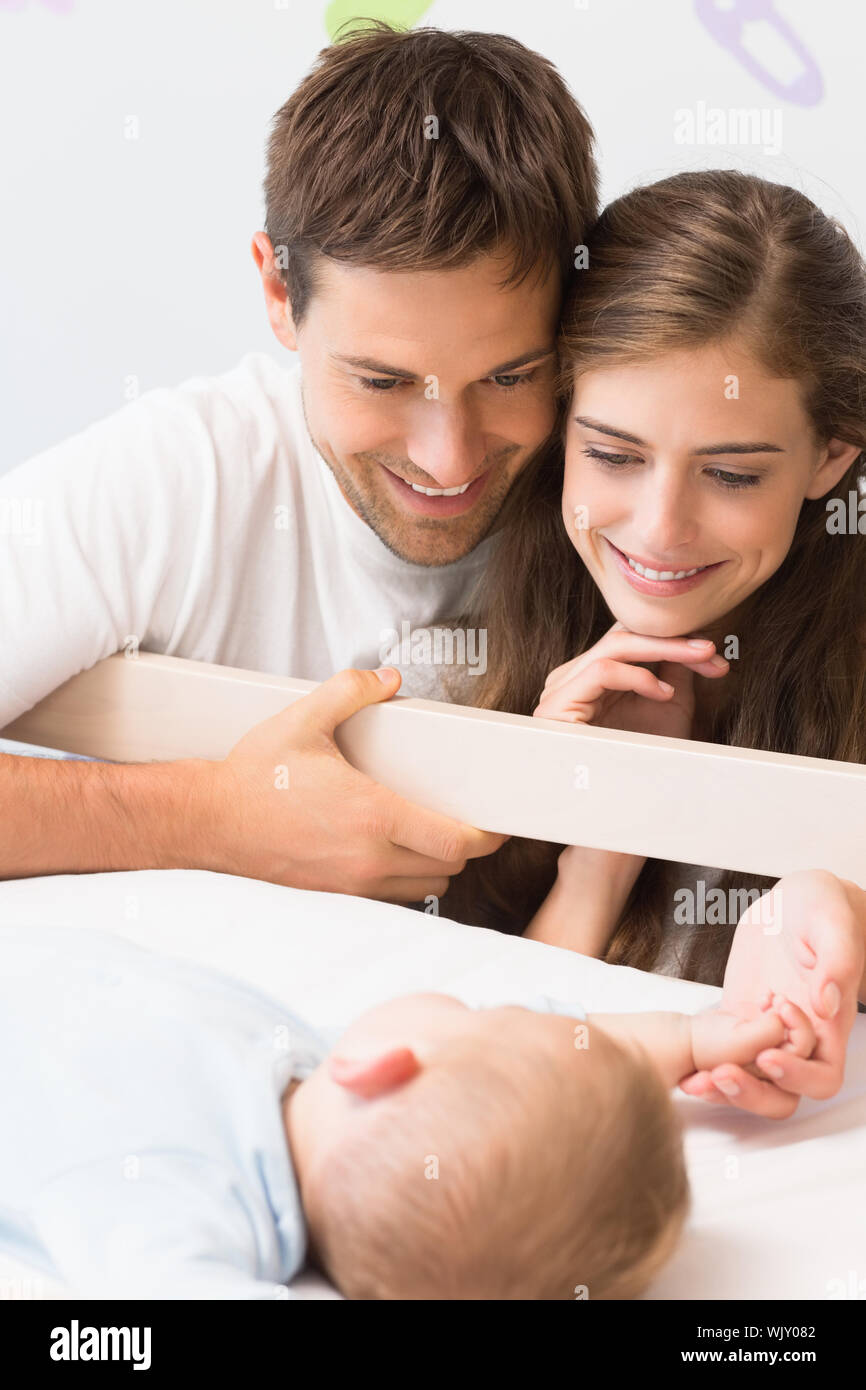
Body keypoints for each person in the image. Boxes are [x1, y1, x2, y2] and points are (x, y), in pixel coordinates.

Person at [0, 24, 597, 899]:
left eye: (511, 375)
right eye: (383, 381)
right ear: (279, 295)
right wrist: (210, 819)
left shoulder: (638, 486)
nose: (449, 457)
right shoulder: (184, 478)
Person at [446, 171, 866, 1117]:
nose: (661, 530)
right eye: (612, 455)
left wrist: (840, 904)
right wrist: (593, 842)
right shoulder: (476, 642)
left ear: (833, 457)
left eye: (728, 473)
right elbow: (480, 1081)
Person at [0, 918, 820, 1300]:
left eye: (473, 1017)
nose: (486, 1004)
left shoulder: (175, 1198)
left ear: (381, 1066)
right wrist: (683, 1036)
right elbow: (552, 1055)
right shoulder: (313, 1089)